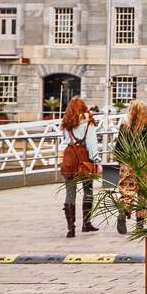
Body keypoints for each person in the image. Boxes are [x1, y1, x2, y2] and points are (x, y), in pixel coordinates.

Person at [60, 96, 100, 237]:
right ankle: (86, 223)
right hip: (84, 156)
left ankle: (71, 229)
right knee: (88, 190)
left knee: (70, 193)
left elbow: (65, 140)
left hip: (70, 156)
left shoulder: (66, 121)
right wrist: (96, 160)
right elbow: (91, 143)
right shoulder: (88, 121)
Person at [115, 99, 147, 235]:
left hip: (128, 164)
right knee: (143, 194)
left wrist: (121, 163)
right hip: (145, 163)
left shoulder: (124, 127)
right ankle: (140, 225)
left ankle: (123, 212)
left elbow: (118, 148)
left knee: (127, 192)